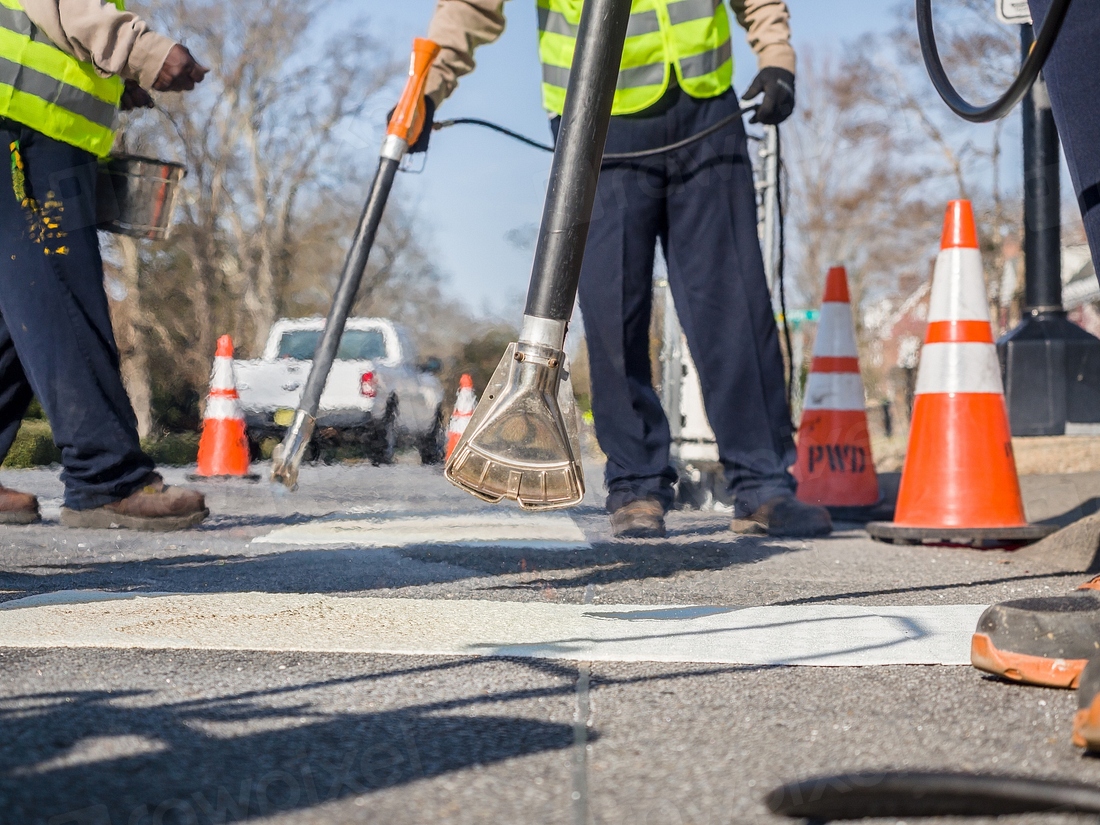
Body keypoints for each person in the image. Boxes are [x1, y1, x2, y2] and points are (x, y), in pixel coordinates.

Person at [420, 0, 832, 539]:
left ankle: (763, 485)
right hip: (595, 118)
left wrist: (775, 52)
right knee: (614, 314)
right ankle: (637, 486)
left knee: (736, 311)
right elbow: (471, 5)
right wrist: (426, 88)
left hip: (705, 109)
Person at [0, 0, 209, 530]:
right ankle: (105, 477)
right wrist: (138, 49)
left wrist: (112, 76)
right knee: (61, 296)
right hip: (22, 119)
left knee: (21, 311)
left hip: (31, 118)